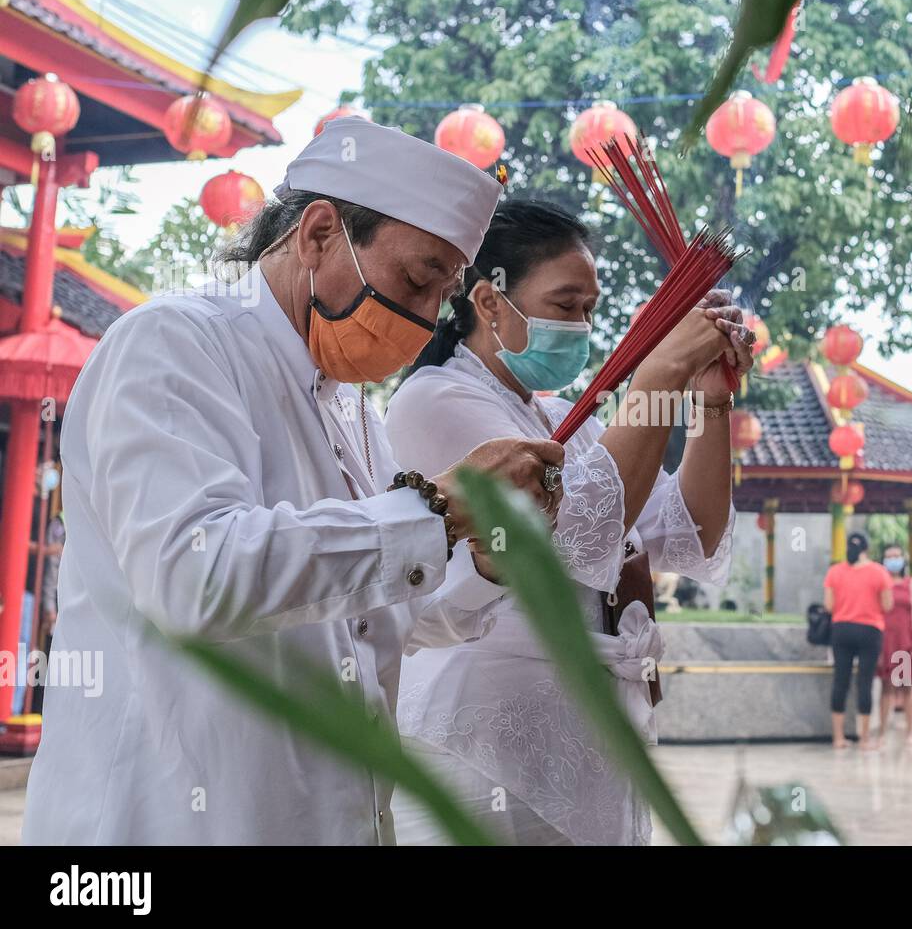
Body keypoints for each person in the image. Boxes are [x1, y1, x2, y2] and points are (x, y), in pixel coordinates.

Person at [23, 120, 566, 845]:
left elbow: (374, 610)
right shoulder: (174, 343)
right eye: (416, 278)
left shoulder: (351, 411)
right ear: (317, 234)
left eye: (444, 293)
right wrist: (435, 509)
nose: (427, 317)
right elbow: (197, 575)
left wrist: (483, 558)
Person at [384, 199, 750, 845]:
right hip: (483, 738)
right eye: (565, 305)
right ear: (490, 303)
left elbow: (686, 531)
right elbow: (574, 538)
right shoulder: (436, 398)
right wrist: (658, 370)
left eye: (589, 310)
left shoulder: (557, 418)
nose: (582, 326)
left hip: (581, 734)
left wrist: (709, 400)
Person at [823, 532, 893, 750]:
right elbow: (888, 605)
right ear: (867, 549)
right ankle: (864, 739)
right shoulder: (879, 573)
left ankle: (838, 738)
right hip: (870, 631)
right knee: (865, 682)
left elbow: (828, 606)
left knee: (840, 681)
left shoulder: (834, 572)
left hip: (841, 630)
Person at [877, 542, 912, 744]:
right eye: (889, 556)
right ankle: (881, 732)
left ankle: (910, 732)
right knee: (886, 688)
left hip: (906, 641)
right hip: (885, 641)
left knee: (907, 688)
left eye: (897, 555)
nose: (893, 560)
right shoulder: (880, 584)